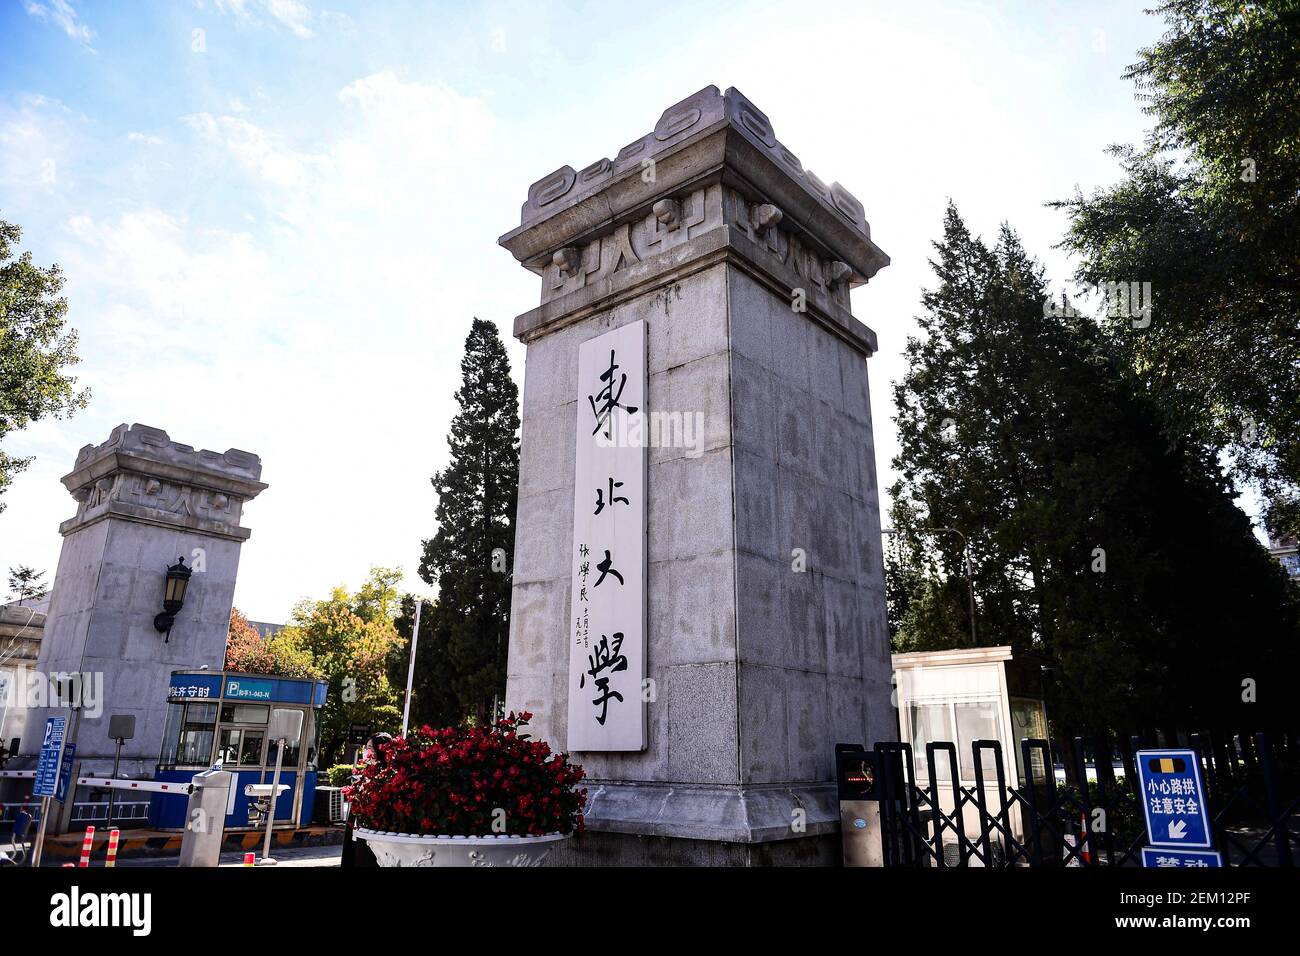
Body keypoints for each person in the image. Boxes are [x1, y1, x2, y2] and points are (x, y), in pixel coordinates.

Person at [340, 732, 392, 868]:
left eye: (370, 748)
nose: (366, 751)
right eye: (366, 747)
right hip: (358, 823)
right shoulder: (368, 771)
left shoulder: (386, 774)